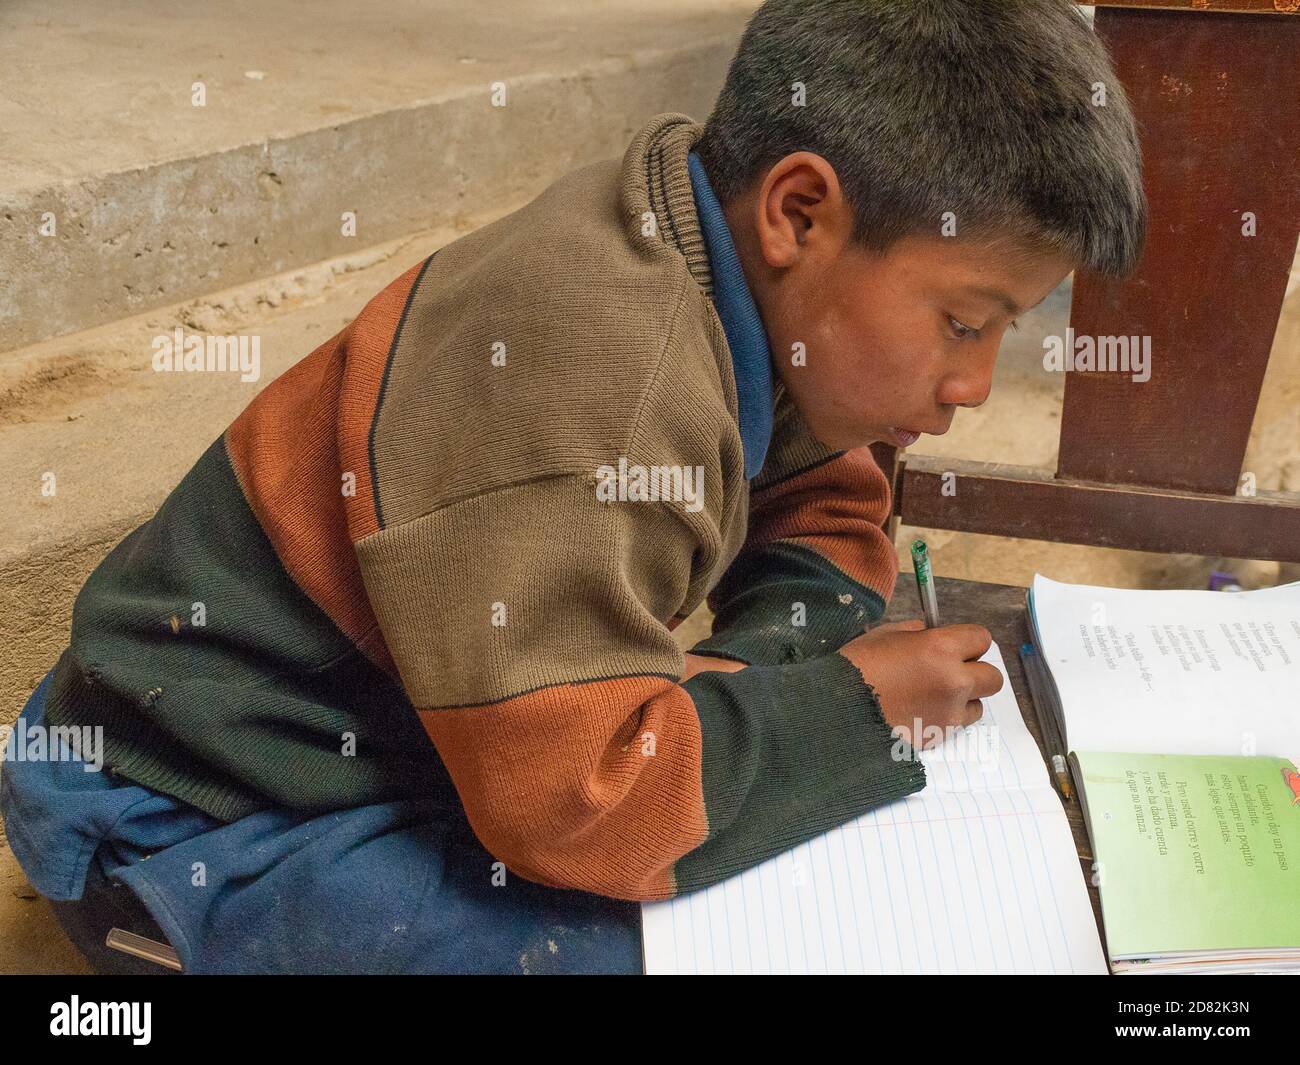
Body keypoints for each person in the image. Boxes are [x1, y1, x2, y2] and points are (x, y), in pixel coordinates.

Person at [1, 0, 1145, 973]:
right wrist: (854, 717)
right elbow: (580, 806)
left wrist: (755, 675)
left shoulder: (739, 265)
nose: (973, 386)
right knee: (682, 945)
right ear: (800, 211)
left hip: (413, 750)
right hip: (200, 809)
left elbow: (831, 500)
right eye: (962, 322)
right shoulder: (590, 377)